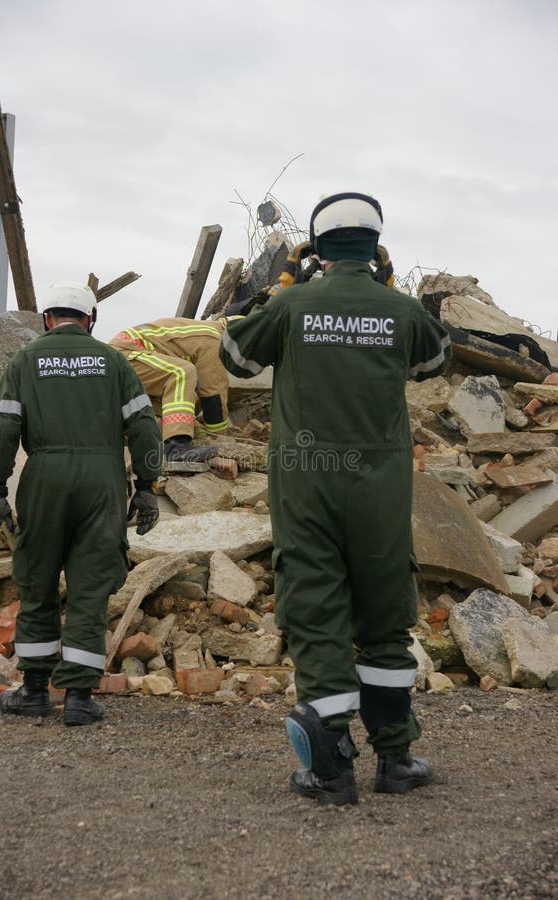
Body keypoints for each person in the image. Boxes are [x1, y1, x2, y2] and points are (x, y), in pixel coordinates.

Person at [220, 192, 451, 805]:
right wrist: (390, 292)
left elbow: (234, 355)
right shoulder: (401, 310)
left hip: (308, 482)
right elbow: (435, 359)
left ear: (317, 247)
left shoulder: (292, 305)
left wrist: (279, 289)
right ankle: (396, 760)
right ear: (375, 246)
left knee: (317, 610)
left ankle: (331, 768)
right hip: (381, 487)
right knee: (384, 619)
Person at [0, 282, 162, 726]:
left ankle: (34, 691)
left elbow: (2, 429)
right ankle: (80, 697)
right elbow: (143, 425)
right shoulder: (114, 361)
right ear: (91, 320)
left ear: (47, 318)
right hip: (102, 482)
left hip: (45, 478)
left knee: (37, 580)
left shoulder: (25, 360)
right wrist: (146, 485)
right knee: (90, 585)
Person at [109, 317, 235, 463]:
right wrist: (219, 438)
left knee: (176, 397)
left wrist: (198, 433)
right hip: (126, 352)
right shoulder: (214, 339)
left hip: (125, 357)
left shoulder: (205, 332)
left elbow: (178, 404)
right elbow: (214, 395)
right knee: (181, 372)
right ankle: (177, 447)